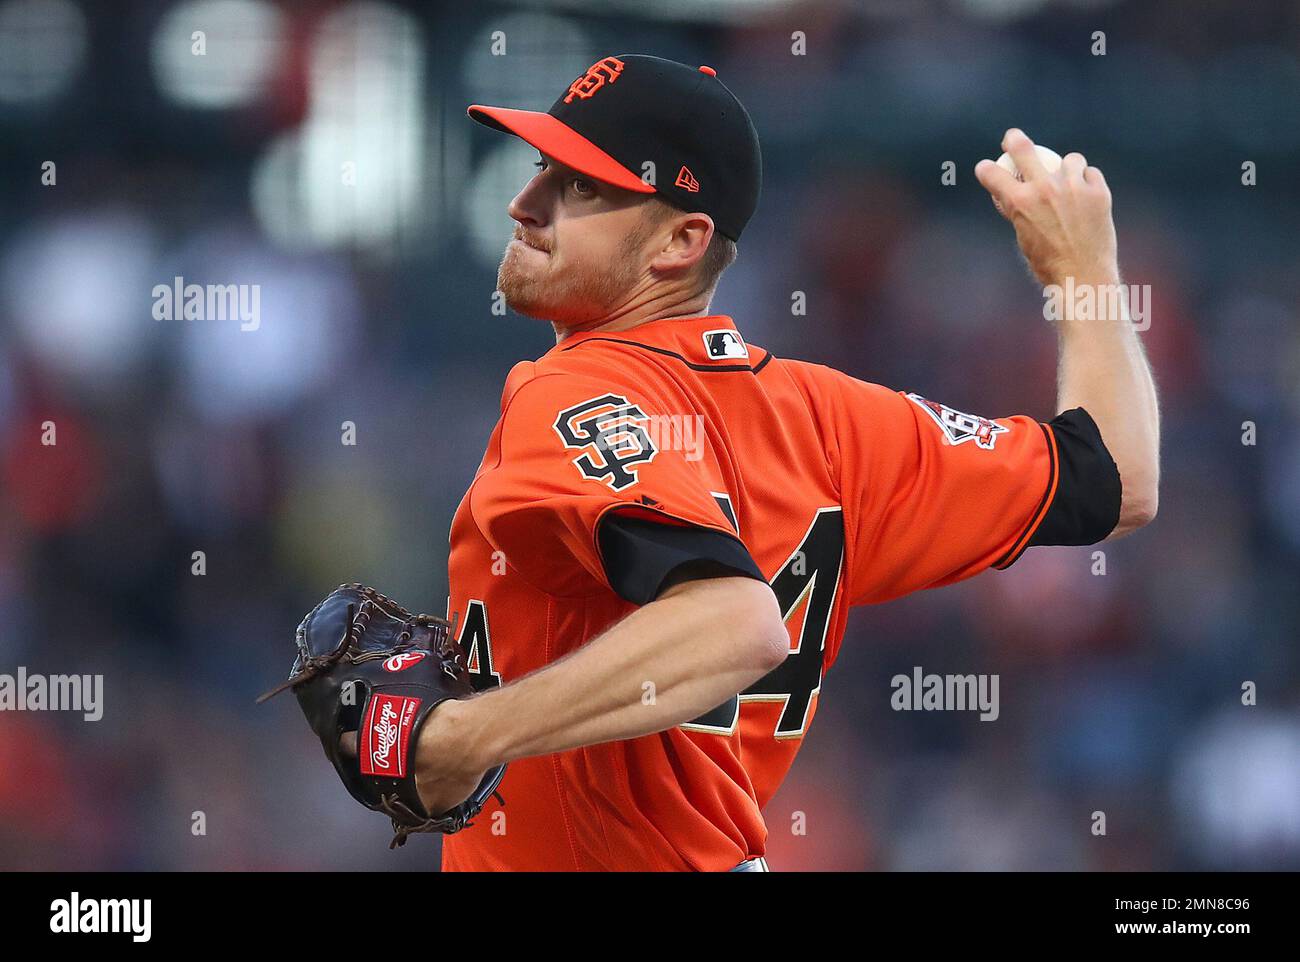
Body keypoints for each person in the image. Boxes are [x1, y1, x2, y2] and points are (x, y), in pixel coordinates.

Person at [412, 53, 1160, 871]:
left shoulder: (568, 390)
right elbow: (1117, 479)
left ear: (682, 240)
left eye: (580, 188)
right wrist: (1084, 275)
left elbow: (733, 623)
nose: (525, 204)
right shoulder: (835, 420)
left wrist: (460, 739)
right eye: (542, 169)